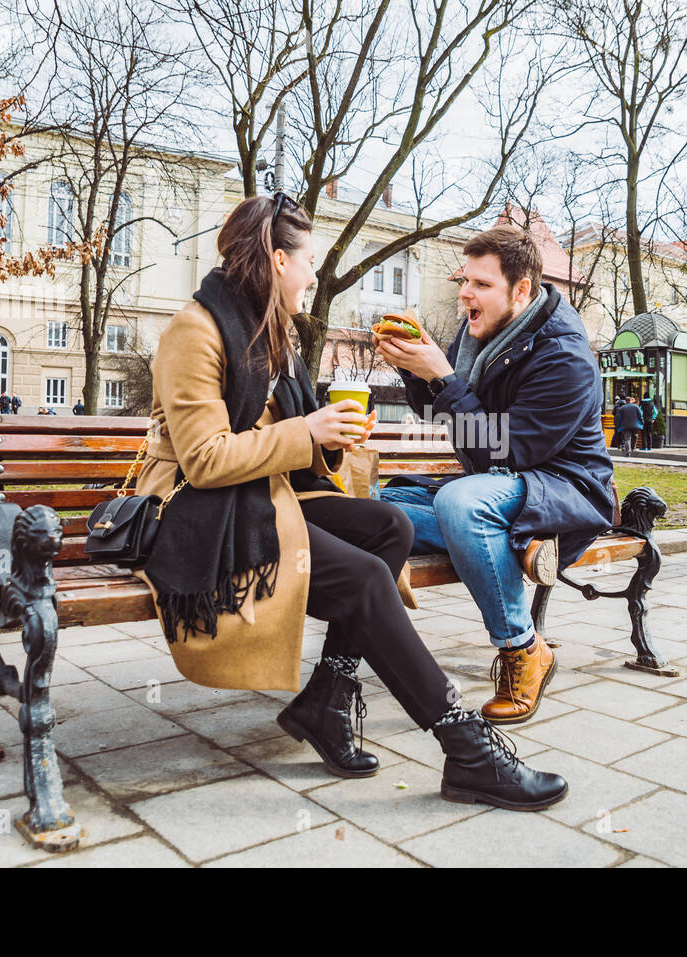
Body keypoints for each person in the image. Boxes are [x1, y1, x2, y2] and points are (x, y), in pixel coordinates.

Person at [132, 193, 567, 811]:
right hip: (200, 510)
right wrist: (308, 433)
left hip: (263, 492)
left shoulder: (272, 329)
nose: (313, 274)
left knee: (388, 525)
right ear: (278, 261)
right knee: (365, 577)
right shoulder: (197, 332)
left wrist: (327, 438)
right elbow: (203, 461)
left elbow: (294, 440)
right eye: (307, 259)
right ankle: (465, 748)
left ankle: (325, 702)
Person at [374, 225, 614, 724]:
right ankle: (487, 538)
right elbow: (442, 412)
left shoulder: (564, 355)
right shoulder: (480, 328)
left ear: (521, 289)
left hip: (565, 491)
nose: (466, 293)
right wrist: (414, 367)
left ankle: (523, 650)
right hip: (494, 488)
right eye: (465, 280)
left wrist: (442, 375)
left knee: (462, 504)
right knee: (371, 509)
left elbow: (506, 452)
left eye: (482, 284)